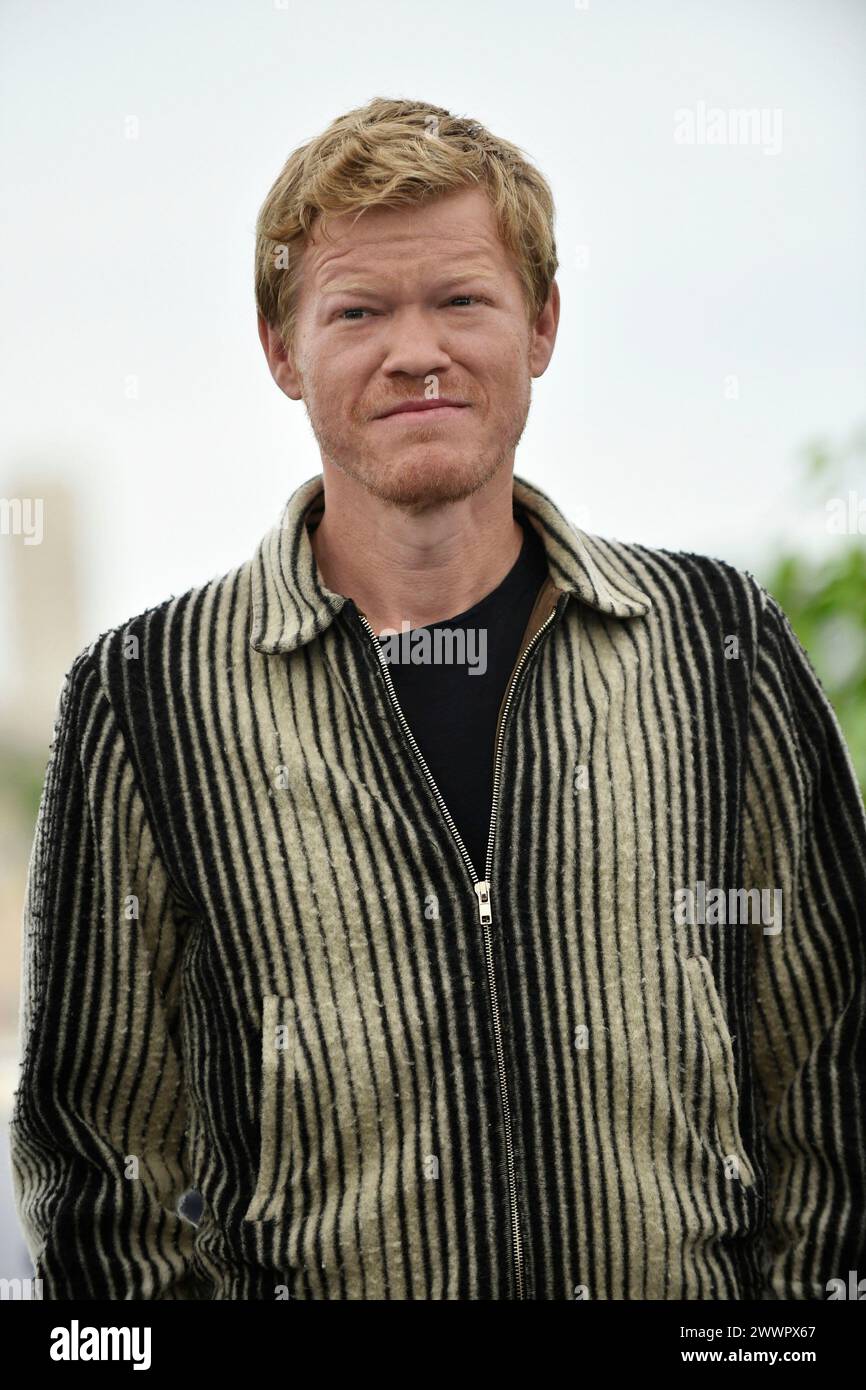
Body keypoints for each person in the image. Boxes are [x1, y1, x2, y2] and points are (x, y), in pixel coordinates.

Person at [10, 96, 866, 1301]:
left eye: (461, 299)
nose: (416, 349)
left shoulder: (715, 645)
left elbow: (830, 1058)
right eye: (356, 311)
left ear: (541, 326)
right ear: (280, 350)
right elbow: (96, 1159)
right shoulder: (146, 697)